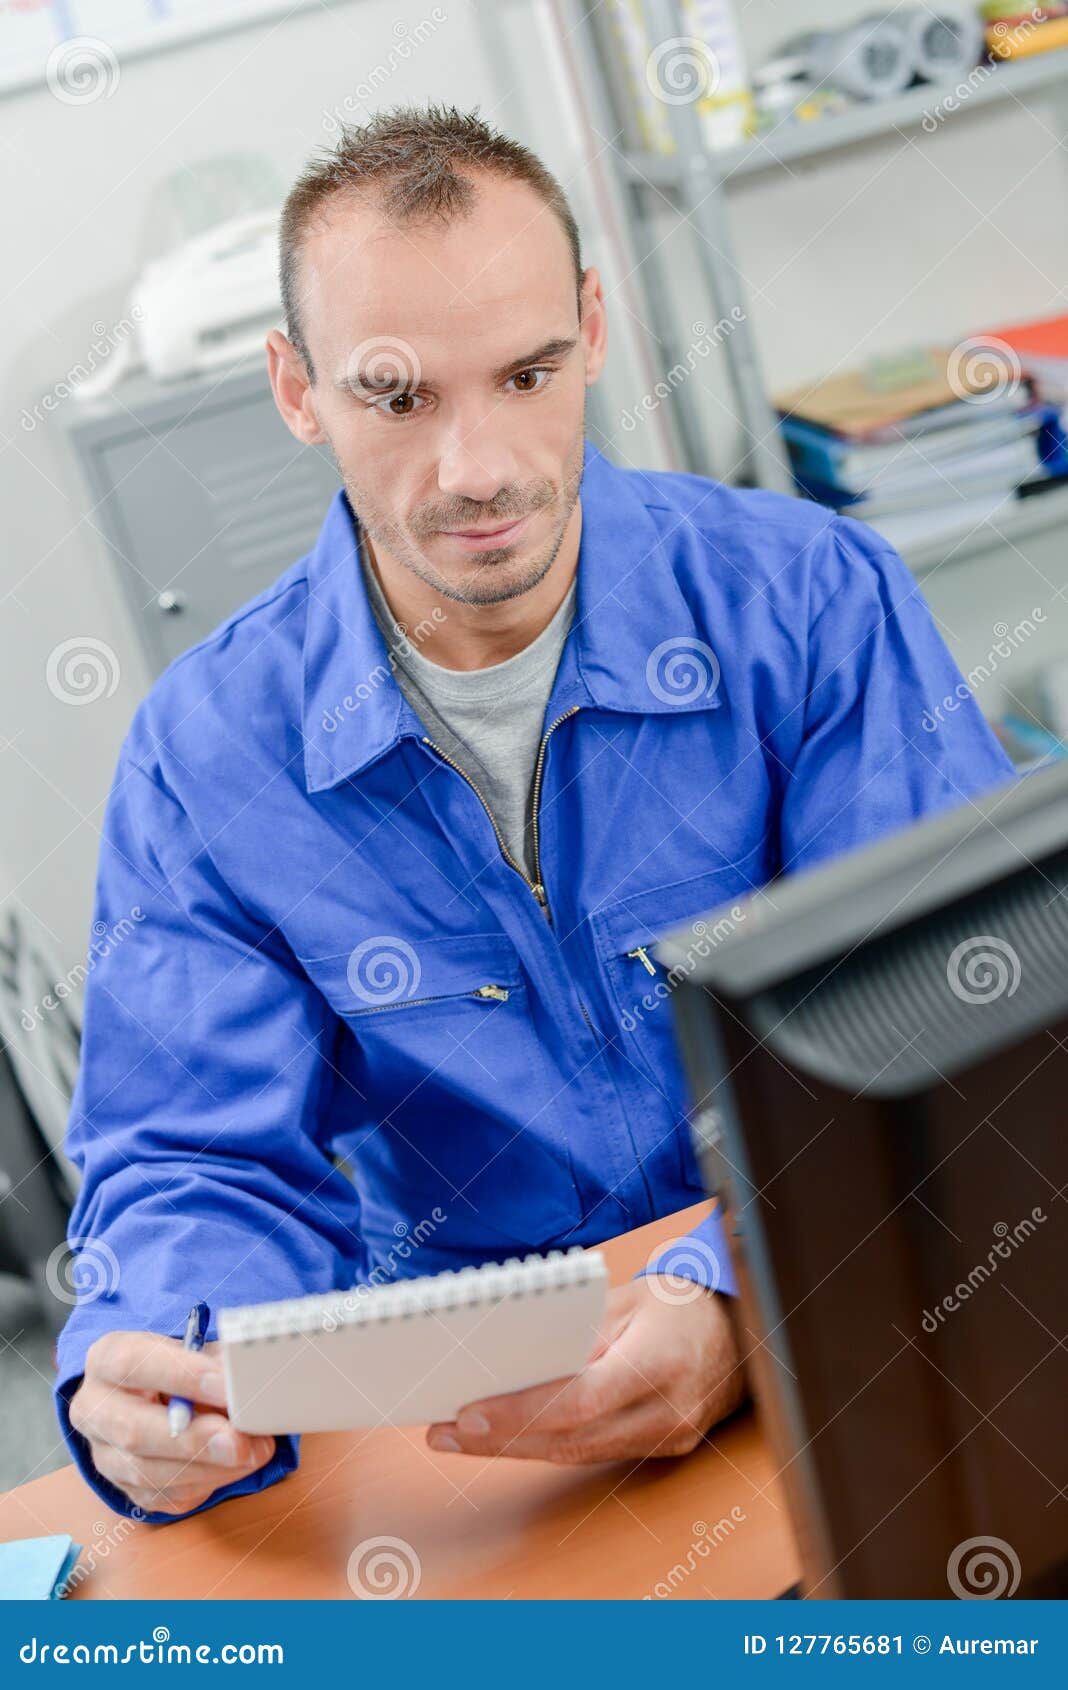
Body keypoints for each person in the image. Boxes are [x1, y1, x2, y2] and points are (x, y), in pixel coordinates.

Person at [57, 106, 1015, 1522]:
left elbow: (950, 1020)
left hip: (861, 1322)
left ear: (593, 328)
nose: (479, 468)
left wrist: (734, 1289)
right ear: (295, 388)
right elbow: (195, 1155)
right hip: (485, 1446)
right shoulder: (208, 754)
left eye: (524, 374)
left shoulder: (811, 602)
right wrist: (170, 1352)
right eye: (397, 396)